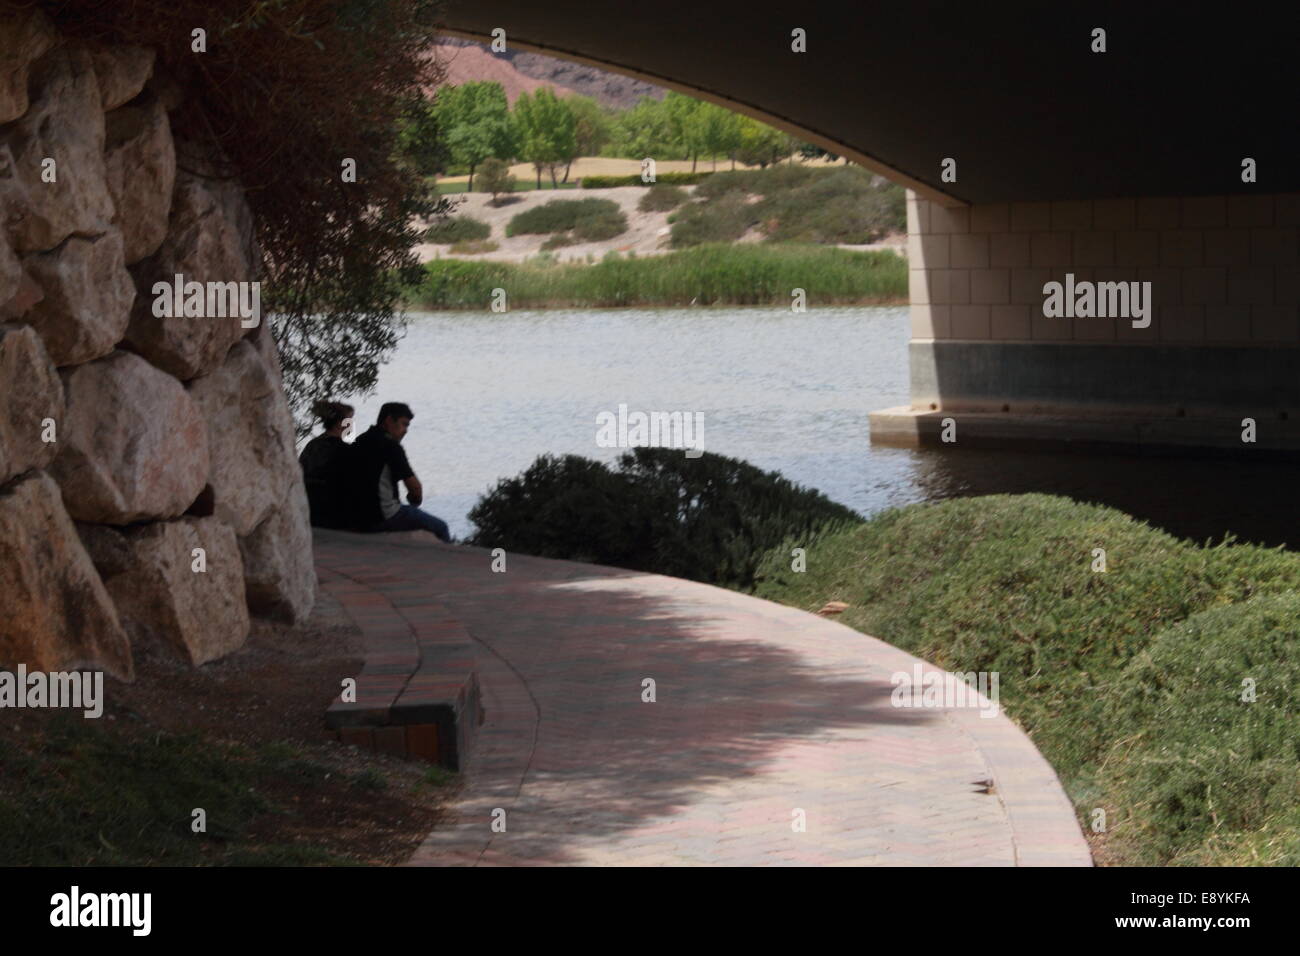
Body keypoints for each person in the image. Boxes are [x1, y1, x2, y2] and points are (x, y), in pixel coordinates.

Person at [347, 402, 452, 542]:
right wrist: (414, 501)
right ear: (389, 421)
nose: (406, 430)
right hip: (384, 515)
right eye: (404, 424)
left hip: (357, 516)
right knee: (441, 528)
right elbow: (415, 489)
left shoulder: (360, 440)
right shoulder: (392, 447)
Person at [298, 400, 354, 529]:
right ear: (340, 423)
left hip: (308, 508)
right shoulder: (344, 450)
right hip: (332, 513)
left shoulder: (312, 445)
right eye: (350, 420)